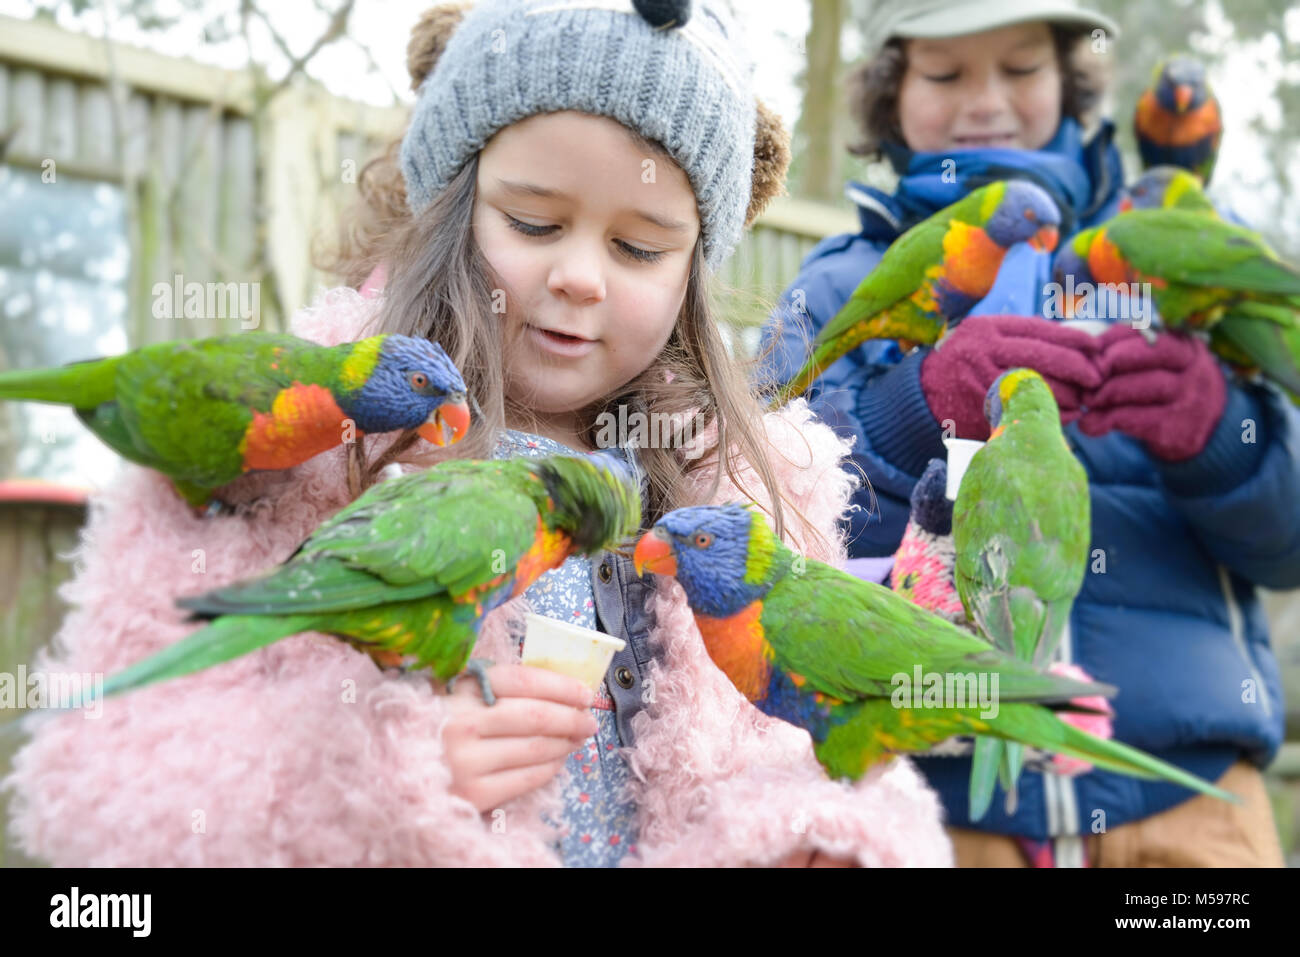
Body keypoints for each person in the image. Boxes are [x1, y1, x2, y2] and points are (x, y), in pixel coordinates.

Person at [2, 0, 952, 868]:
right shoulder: (291, 441)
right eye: (535, 222)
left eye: (638, 247)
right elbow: (95, 782)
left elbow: (820, 755)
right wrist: (391, 777)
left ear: (695, 273)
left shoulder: (742, 490)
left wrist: (818, 837)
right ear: (449, 208)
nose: (582, 276)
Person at [763, 0, 1297, 867]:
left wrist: (1218, 432)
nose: (986, 100)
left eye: (1020, 68)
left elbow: (1291, 546)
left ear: (1071, 76)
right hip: (932, 805)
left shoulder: (1169, 252)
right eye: (945, 73)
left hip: (1190, 803)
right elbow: (769, 543)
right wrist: (909, 413)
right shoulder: (834, 285)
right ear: (890, 91)